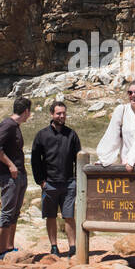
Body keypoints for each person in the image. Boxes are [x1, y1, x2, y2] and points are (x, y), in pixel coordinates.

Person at [96, 78, 135, 252]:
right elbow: (112, 135)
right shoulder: (121, 110)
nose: (133, 95)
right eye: (130, 92)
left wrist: (134, 159)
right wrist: (105, 158)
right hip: (127, 164)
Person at [31, 101, 81, 257]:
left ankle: (72, 247)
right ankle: (54, 247)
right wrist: (41, 181)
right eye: (58, 113)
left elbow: (78, 158)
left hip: (68, 183)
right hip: (49, 184)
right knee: (50, 216)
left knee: (69, 216)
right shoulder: (42, 135)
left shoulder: (71, 134)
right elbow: (35, 159)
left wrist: (78, 180)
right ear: (52, 114)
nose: (62, 116)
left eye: (64, 113)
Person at [0, 97, 32, 260]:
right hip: (9, 176)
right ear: (26, 111)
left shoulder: (15, 126)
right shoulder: (8, 125)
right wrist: (10, 165)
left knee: (15, 211)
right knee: (8, 211)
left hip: (19, 174)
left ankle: (10, 246)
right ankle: (2, 251)